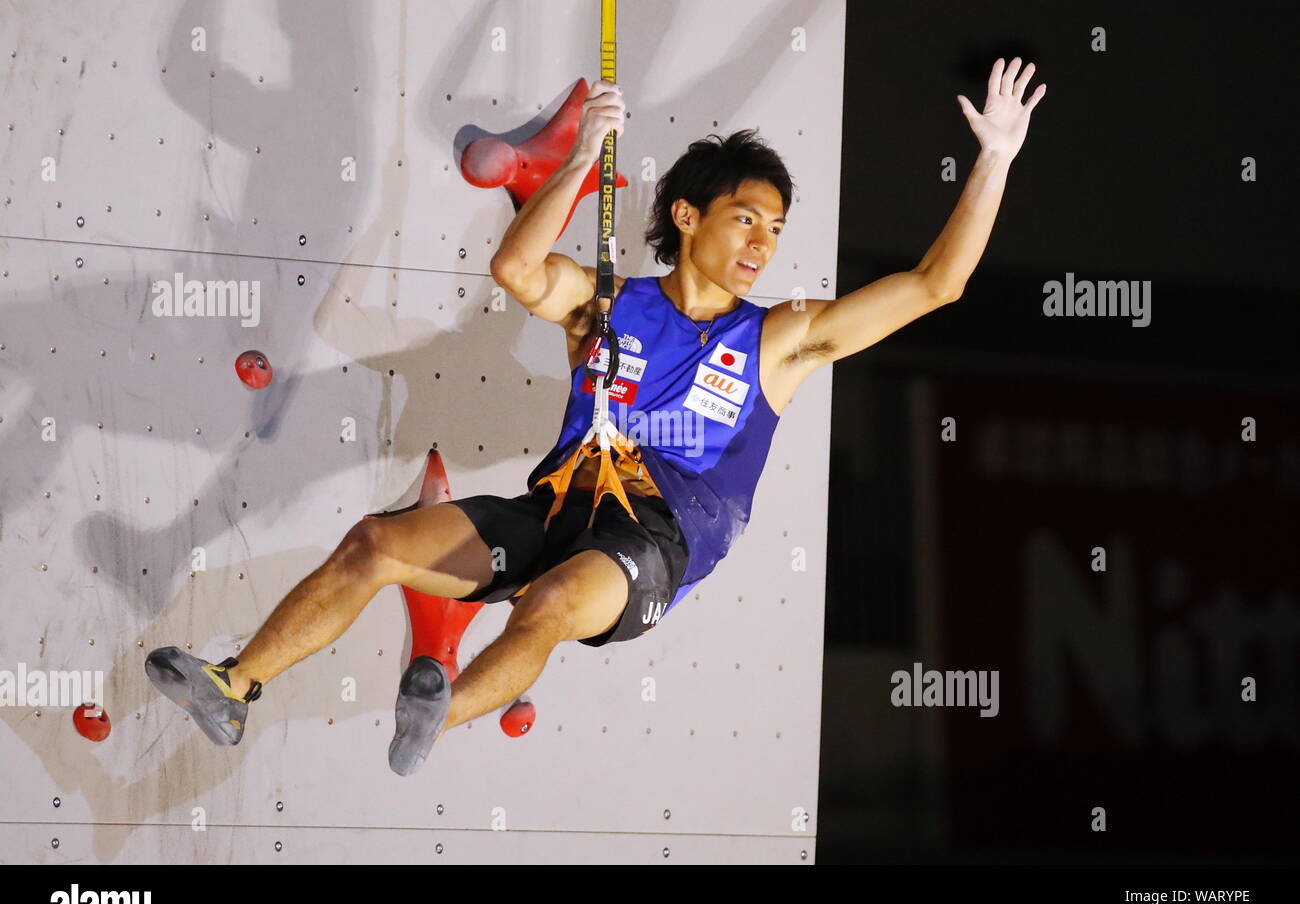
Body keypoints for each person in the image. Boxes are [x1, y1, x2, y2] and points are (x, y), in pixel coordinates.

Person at [146, 60, 1045, 775]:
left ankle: (440, 710)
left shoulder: (780, 338)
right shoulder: (608, 304)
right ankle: (234, 684)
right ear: (688, 217)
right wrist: (580, 162)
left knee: (544, 606)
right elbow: (517, 271)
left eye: (776, 227)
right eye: (746, 218)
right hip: (560, 509)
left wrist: (996, 159)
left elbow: (938, 284)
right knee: (373, 547)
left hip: (658, 538)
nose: (764, 243)